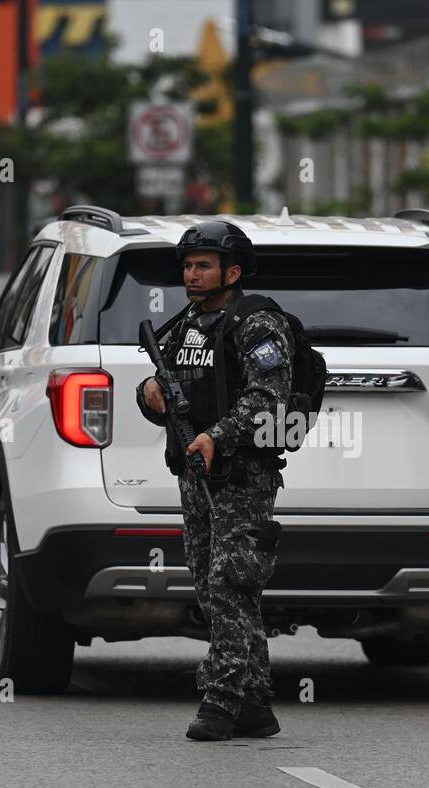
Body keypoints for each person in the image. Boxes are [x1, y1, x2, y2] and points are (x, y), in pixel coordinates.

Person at [136, 221, 292, 742]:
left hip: (242, 474)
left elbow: (270, 393)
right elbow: (168, 386)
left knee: (230, 583)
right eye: (187, 265)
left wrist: (219, 436)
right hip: (195, 472)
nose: (192, 274)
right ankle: (255, 702)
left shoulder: (257, 322)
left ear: (233, 271)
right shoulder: (187, 325)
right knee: (211, 584)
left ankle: (221, 701)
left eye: (203, 265)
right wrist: (149, 392)